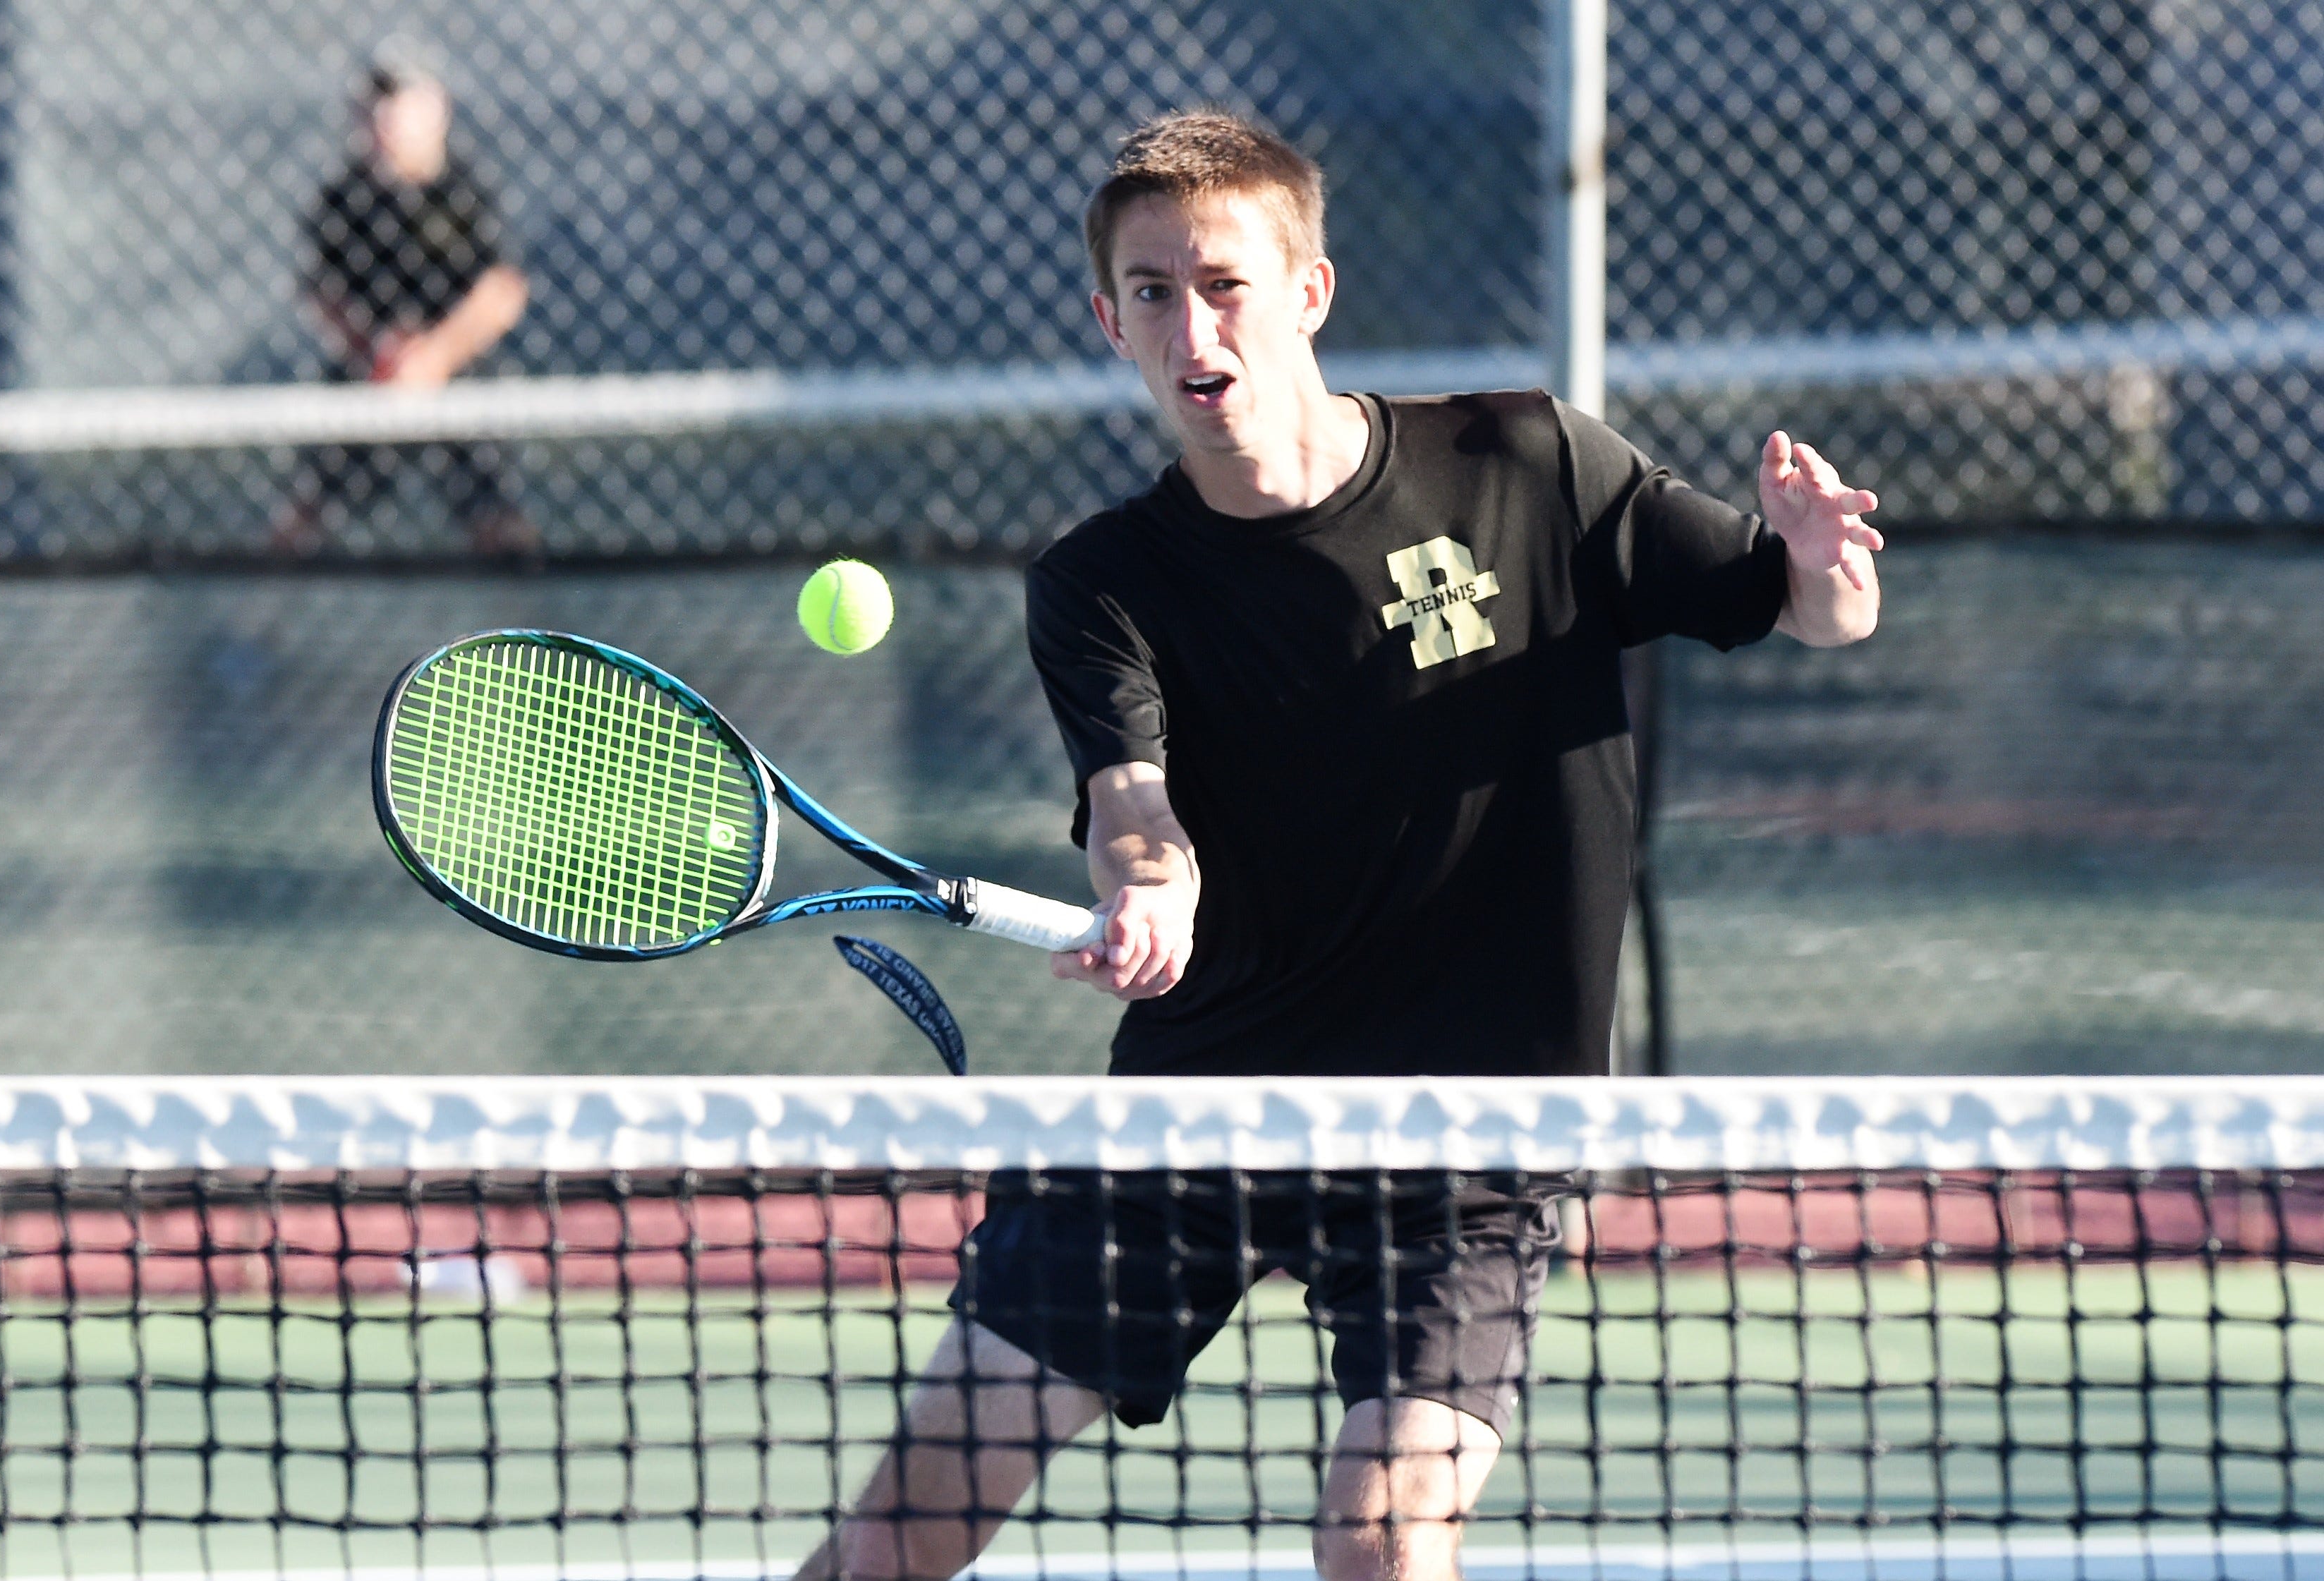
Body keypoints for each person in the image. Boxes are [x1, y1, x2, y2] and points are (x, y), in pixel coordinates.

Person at [794, 111, 1882, 1581]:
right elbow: (1134, 804)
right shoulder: (1100, 581)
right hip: (1201, 1114)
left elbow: (1797, 607)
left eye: (1225, 281)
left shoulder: (1530, 465)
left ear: (1308, 292)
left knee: (1379, 1539)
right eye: (1155, 292)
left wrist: (1826, 573)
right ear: (1109, 318)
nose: (1195, 323)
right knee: (896, 1538)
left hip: (1474, 1137)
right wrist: (1149, 890)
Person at [273, 40, 532, 557]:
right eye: (375, 106)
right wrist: (377, 355)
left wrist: (433, 358)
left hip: (458, 380)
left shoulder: (466, 194)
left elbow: (501, 293)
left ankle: (526, 631)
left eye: (400, 103)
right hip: (369, 378)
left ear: (436, 109)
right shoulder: (343, 199)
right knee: (301, 521)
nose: (385, 118)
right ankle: (256, 628)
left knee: (499, 527)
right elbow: (323, 292)